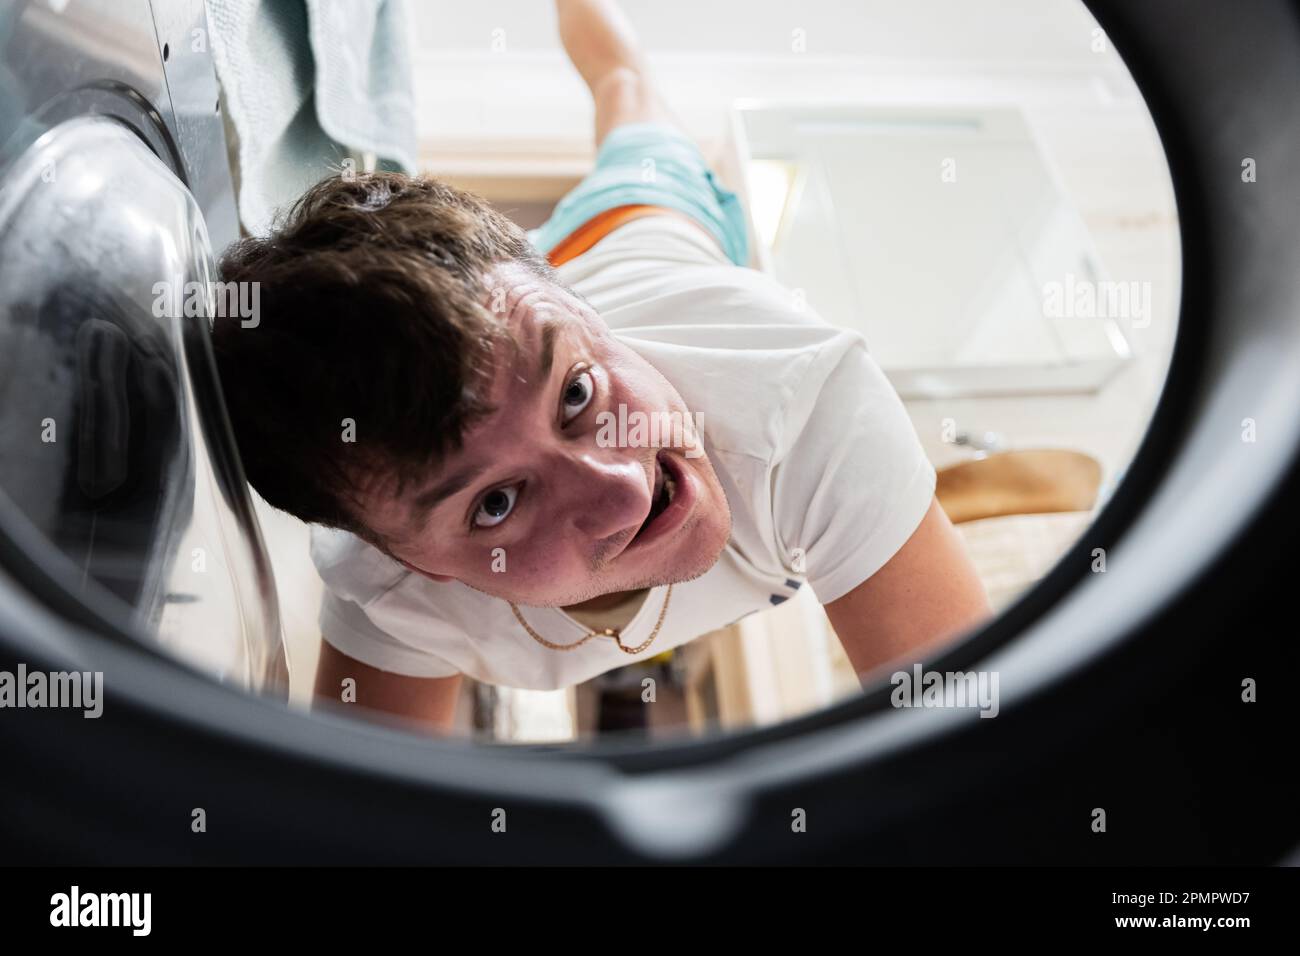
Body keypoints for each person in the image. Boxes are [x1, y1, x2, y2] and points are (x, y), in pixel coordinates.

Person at [212, 0, 991, 733]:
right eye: (494, 504)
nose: (622, 490)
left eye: (580, 397)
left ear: (583, 311)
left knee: (625, 84)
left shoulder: (809, 405)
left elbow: (970, 757)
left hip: (644, 217)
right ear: (415, 560)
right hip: (518, 330)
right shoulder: (387, 585)